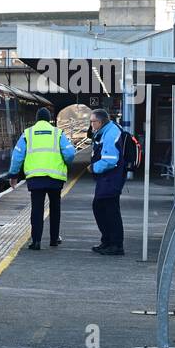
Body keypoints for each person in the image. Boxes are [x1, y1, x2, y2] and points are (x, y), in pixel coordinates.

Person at [9, 108, 76, 250]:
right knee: (55, 208)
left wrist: (13, 175)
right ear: (49, 119)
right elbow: (70, 152)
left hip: (35, 178)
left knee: (37, 209)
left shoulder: (28, 133)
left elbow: (17, 156)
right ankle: (53, 239)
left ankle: (36, 241)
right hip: (55, 178)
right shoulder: (58, 133)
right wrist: (66, 163)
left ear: (37, 119)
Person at [89, 108, 127, 255]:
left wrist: (93, 168)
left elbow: (110, 160)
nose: (91, 125)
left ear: (100, 121)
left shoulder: (111, 134)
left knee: (109, 211)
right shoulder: (107, 130)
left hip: (111, 178)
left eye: (93, 122)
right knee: (102, 208)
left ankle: (116, 245)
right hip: (108, 178)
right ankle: (107, 241)